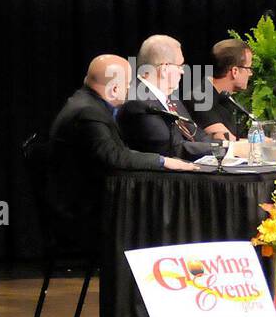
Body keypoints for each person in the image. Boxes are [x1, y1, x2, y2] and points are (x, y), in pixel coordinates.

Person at [48, 55, 196, 242]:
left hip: (89, 197)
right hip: (82, 208)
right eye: (127, 84)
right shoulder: (88, 111)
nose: (129, 89)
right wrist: (164, 161)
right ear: (115, 88)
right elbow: (114, 156)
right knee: (160, 209)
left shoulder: (87, 102)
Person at [195, 38, 276, 156]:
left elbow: (246, 138)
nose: (250, 73)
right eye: (249, 68)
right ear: (234, 71)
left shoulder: (228, 96)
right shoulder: (199, 97)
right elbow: (227, 142)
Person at [118, 34, 216, 160]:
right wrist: (225, 150)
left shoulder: (171, 99)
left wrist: (228, 146)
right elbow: (172, 149)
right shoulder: (138, 103)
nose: (183, 71)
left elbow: (198, 135)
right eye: (180, 66)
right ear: (164, 69)